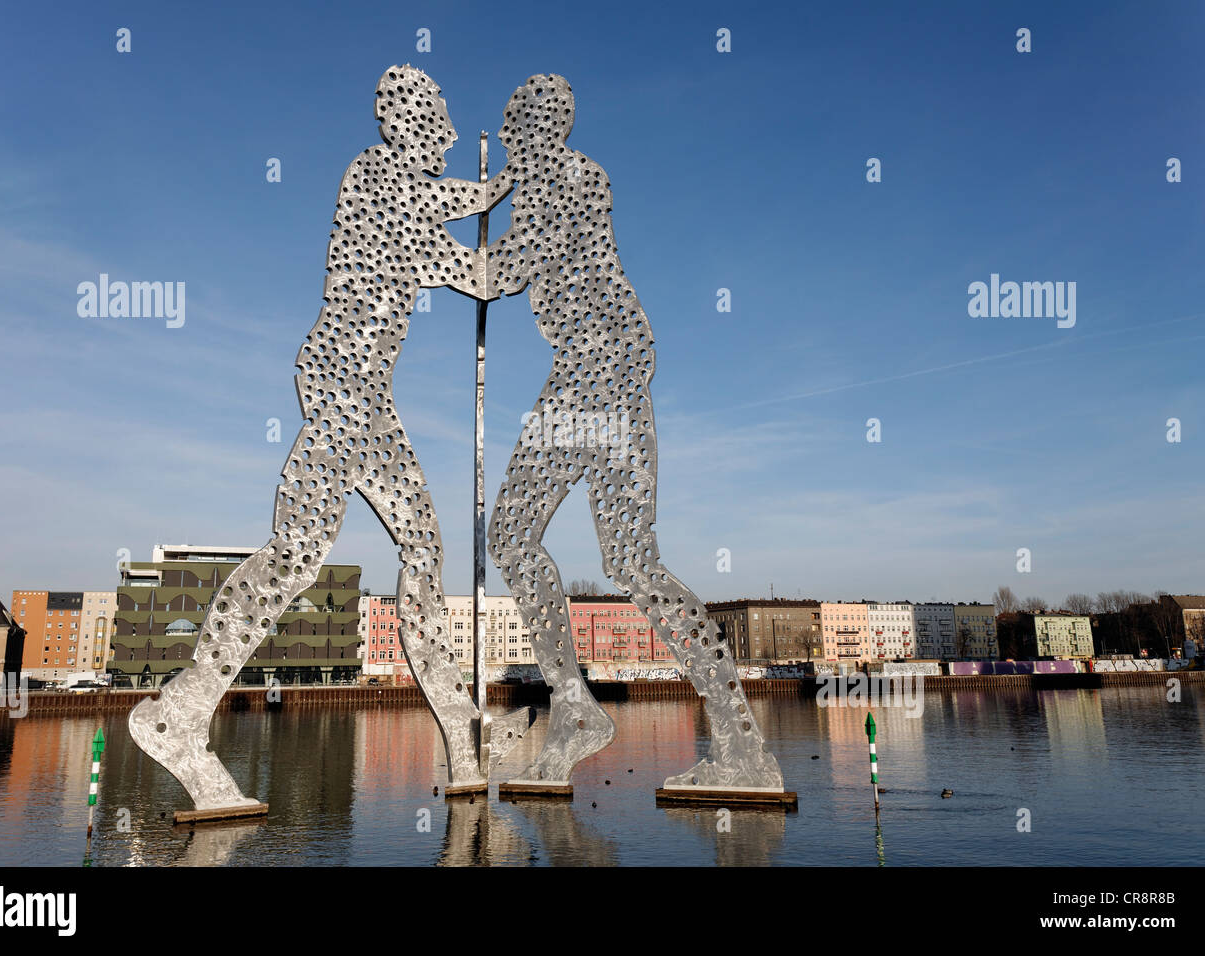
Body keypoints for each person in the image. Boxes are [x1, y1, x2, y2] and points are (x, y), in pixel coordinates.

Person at [129, 65, 516, 810]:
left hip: (365, 396)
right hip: (345, 386)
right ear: (411, 123)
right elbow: (471, 265)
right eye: (434, 118)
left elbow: (457, 219)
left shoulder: (400, 187)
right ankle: (178, 712)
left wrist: (498, 192)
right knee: (301, 555)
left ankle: (463, 740)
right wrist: (509, 195)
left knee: (395, 552)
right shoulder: (379, 178)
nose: (440, 134)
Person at [486, 75, 784, 791]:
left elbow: (502, 269)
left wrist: (425, 242)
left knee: (523, 538)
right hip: (599, 375)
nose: (506, 147)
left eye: (512, 134)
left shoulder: (569, 180)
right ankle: (726, 742)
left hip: (596, 378)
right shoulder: (557, 182)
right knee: (625, 562)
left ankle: (587, 707)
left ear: (536, 131)